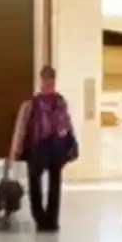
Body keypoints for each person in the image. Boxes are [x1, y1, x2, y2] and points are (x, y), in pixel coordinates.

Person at [9, 65, 77, 233]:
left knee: (35, 183)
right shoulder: (60, 102)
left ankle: (40, 218)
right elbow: (67, 125)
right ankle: (52, 221)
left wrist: (15, 149)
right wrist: (72, 145)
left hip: (37, 148)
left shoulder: (32, 103)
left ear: (41, 80)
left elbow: (22, 127)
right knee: (55, 184)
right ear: (54, 80)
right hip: (56, 148)